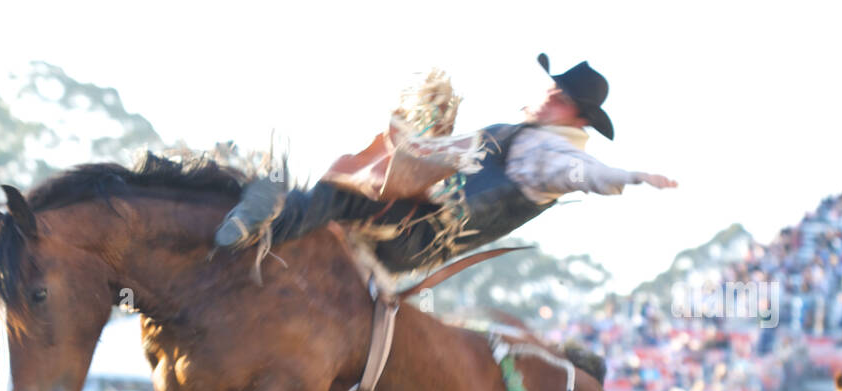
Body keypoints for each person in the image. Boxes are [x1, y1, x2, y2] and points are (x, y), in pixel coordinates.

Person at [213, 54, 679, 275]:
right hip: (414, 230)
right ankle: (269, 213)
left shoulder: (553, 156)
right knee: (345, 186)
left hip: (417, 235)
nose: (546, 98)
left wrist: (630, 176)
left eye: (557, 98)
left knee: (339, 194)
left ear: (578, 117)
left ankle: (260, 223)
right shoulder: (516, 135)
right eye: (550, 90)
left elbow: (585, 174)